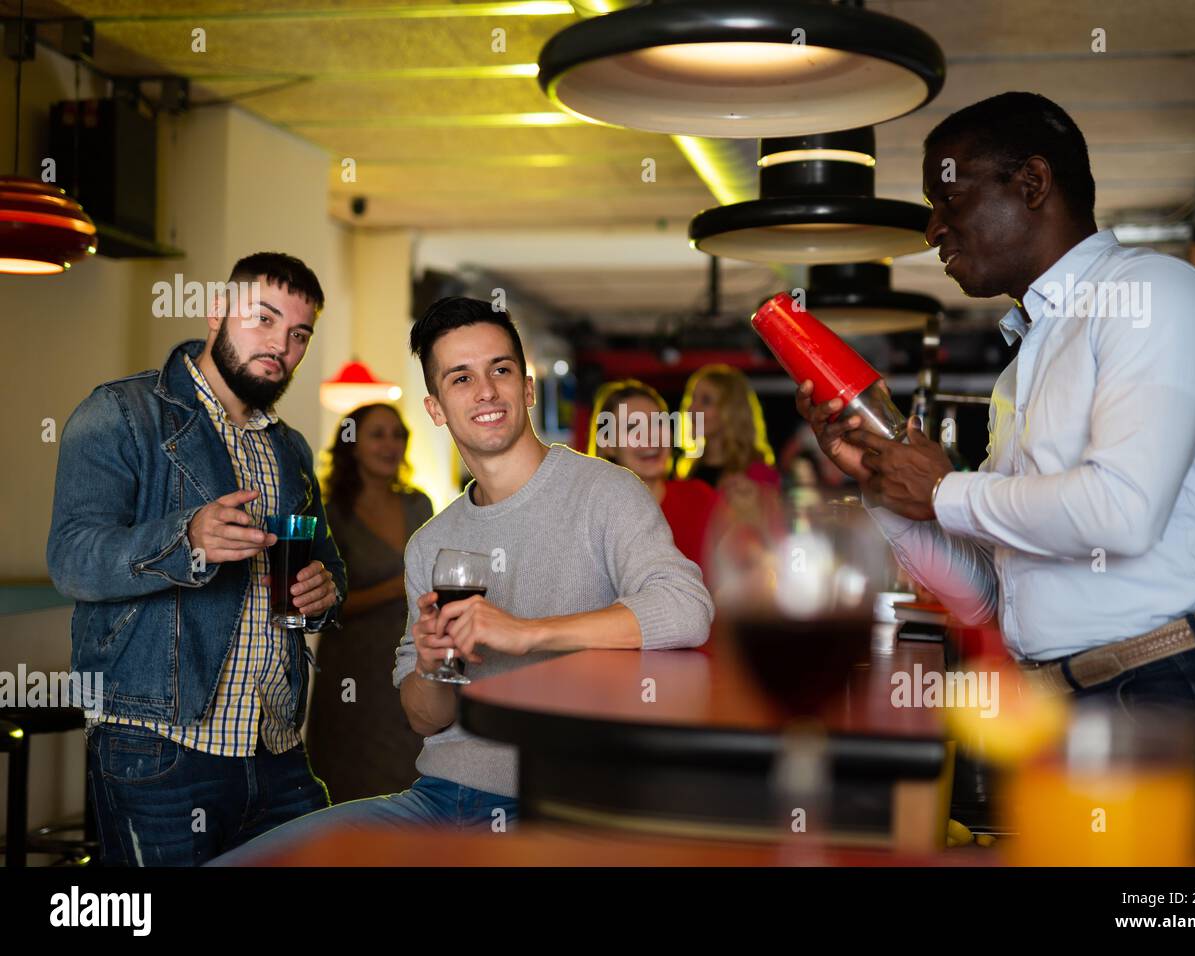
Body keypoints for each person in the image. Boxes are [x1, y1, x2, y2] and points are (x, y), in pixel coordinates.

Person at [798, 92, 1195, 859]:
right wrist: (881, 486)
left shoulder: (1150, 295)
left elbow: (1121, 512)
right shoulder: (1024, 368)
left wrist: (942, 489)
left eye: (946, 197)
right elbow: (989, 592)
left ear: (1031, 182)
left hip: (1174, 692)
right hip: (1068, 705)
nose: (932, 231)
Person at [211, 296, 712, 863]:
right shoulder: (430, 540)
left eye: (500, 370)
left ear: (526, 388)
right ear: (436, 407)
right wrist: (430, 665)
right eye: (461, 378)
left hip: (563, 805)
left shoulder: (606, 492)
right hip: (438, 799)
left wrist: (527, 633)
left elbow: (686, 609)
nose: (485, 391)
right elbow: (427, 717)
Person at [47, 252, 346, 866]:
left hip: (277, 745)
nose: (279, 346)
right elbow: (72, 558)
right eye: (262, 320)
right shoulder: (123, 413)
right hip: (161, 743)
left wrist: (324, 591)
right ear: (216, 312)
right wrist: (187, 541)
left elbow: (326, 565)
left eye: (297, 334)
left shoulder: (288, 448)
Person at [308, 403, 433, 803]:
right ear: (351, 444)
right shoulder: (332, 515)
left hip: (414, 657)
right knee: (354, 782)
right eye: (377, 434)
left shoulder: (420, 505)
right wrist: (397, 587)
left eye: (398, 435)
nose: (390, 444)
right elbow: (324, 605)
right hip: (354, 667)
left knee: (413, 777)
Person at [588, 378, 721, 575]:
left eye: (658, 424)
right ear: (607, 444)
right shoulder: (594, 519)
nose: (651, 437)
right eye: (633, 428)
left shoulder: (701, 500)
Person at [679, 364, 780, 499]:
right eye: (692, 398)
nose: (692, 409)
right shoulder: (689, 470)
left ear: (731, 410)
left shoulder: (758, 474)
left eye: (706, 401)